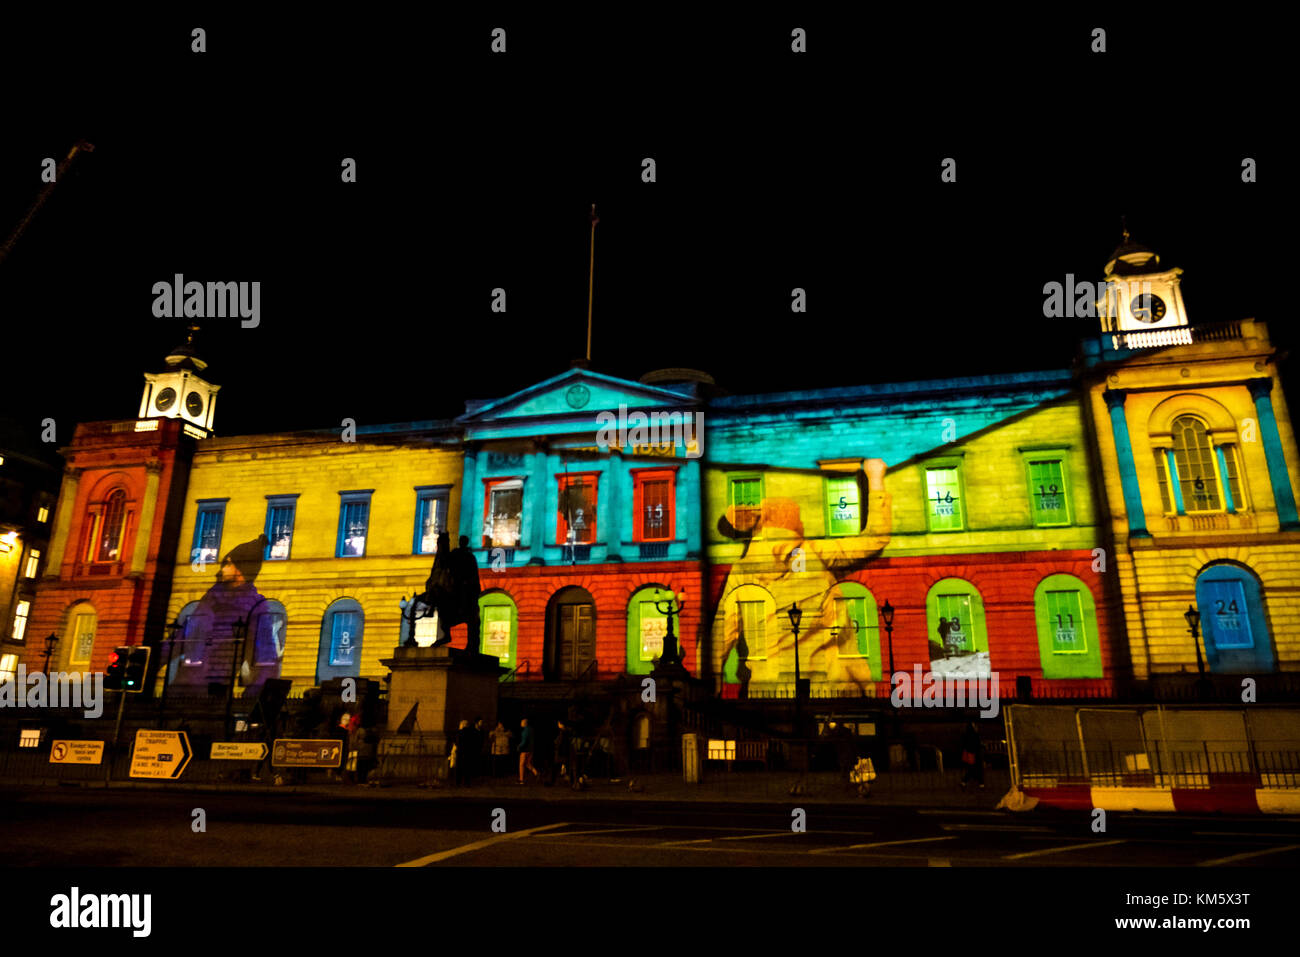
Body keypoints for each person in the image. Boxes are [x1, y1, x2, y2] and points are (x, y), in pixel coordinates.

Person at [960, 721, 985, 789]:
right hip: (975, 753)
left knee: (971, 769)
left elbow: (963, 745)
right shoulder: (975, 735)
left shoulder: (965, 735)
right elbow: (978, 744)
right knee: (977, 769)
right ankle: (981, 783)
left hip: (969, 754)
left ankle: (964, 782)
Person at [550, 719, 572, 786]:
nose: (558, 725)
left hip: (561, 752)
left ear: (561, 724)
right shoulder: (565, 732)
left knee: (555, 767)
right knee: (564, 766)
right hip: (564, 752)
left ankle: (552, 781)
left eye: (558, 723)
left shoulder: (563, 732)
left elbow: (561, 742)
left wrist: (556, 743)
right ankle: (570, 780)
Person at [518, 717, 538, 784]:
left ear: (524, 723)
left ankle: (521, 780)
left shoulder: (525, 731)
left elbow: (524, 741)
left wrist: (519, 746)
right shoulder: (531, 729)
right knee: (527, 763)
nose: (520, 723)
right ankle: (536, 773)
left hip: (525, 749)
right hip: (531, 749)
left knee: (521, 764)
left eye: (521, 722)